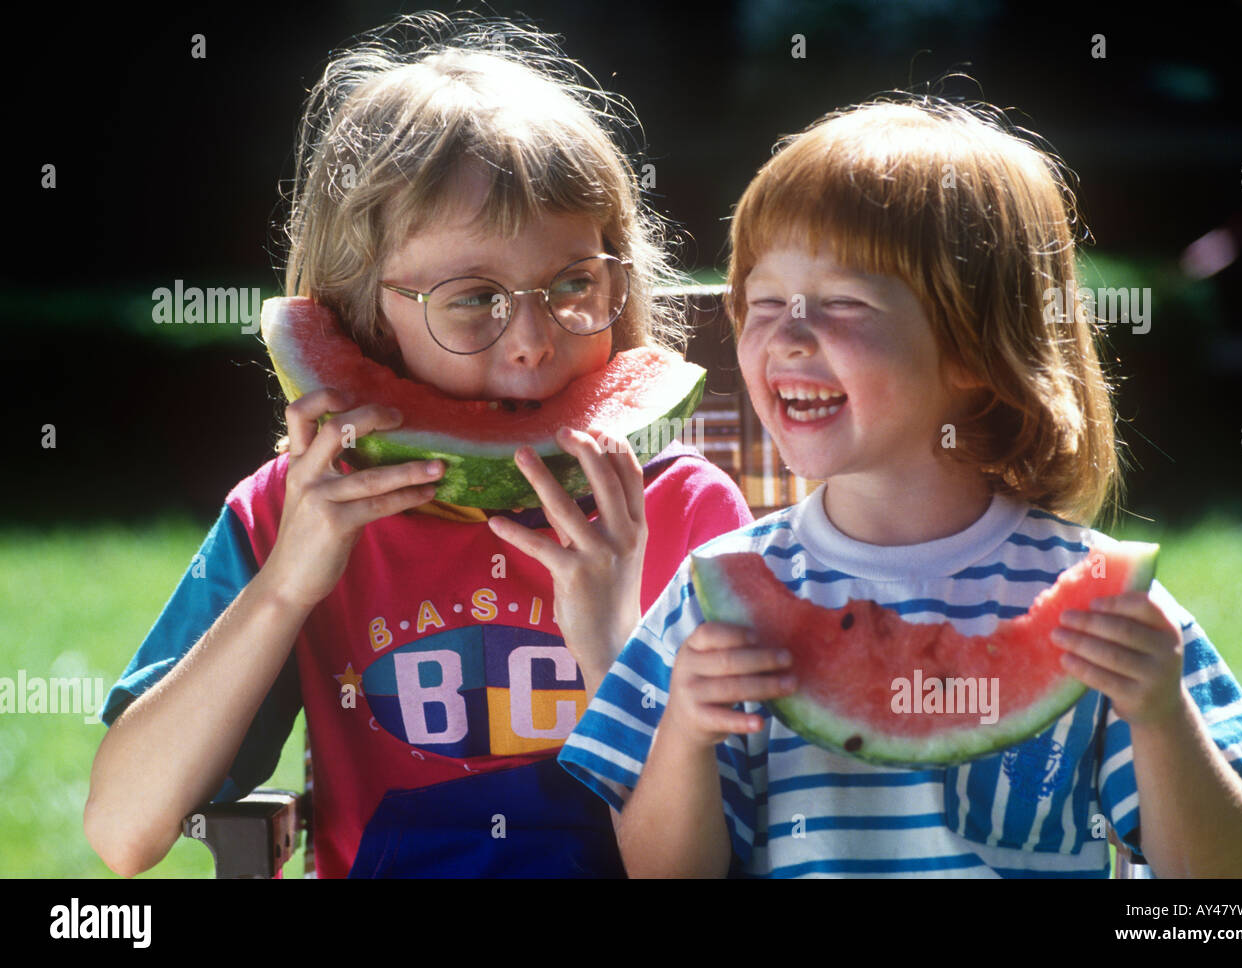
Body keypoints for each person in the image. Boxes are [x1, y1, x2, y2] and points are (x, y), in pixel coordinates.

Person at [84, 12, 751, 878]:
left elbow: (716, 857)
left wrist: (612, 646)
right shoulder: (290, 518)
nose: (533, 340)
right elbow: (123, 832)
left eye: (574, 284)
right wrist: (287, 586)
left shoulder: (685, 511)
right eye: (473, 297)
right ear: (360, 318)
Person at [557, 96, 1242, 877]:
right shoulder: (718, 599)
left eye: (843, 303)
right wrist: (685, 735)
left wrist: (1163, 717)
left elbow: (1213, 889)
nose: (788, 335)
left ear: (976, 349)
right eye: (764, 303)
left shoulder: (1102, 605)